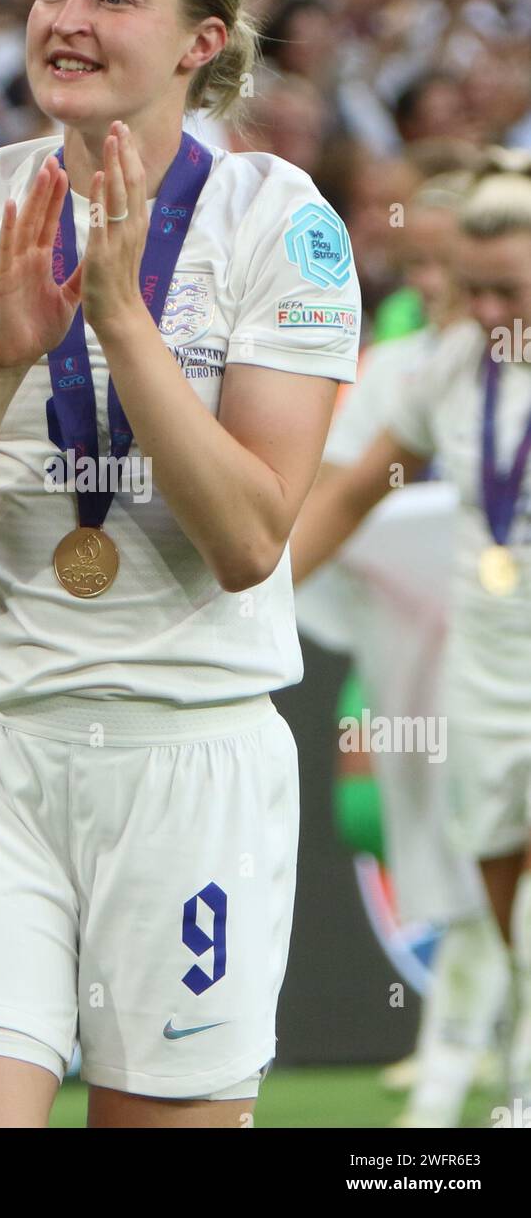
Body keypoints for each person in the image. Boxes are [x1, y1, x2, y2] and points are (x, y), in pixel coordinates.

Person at [0, 0, 361, 1129]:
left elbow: (248, 539)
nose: (65, 18)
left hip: (190, 757)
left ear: (199, 42)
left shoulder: (277, 221)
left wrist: (122, 323)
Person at [292, 164, 531, 1117]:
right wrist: (255, 593)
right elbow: (355, 490)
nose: (484, 310)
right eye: (475, 288)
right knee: (496, 881)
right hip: (481, 661)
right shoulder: (451, 366)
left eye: (507, 290)